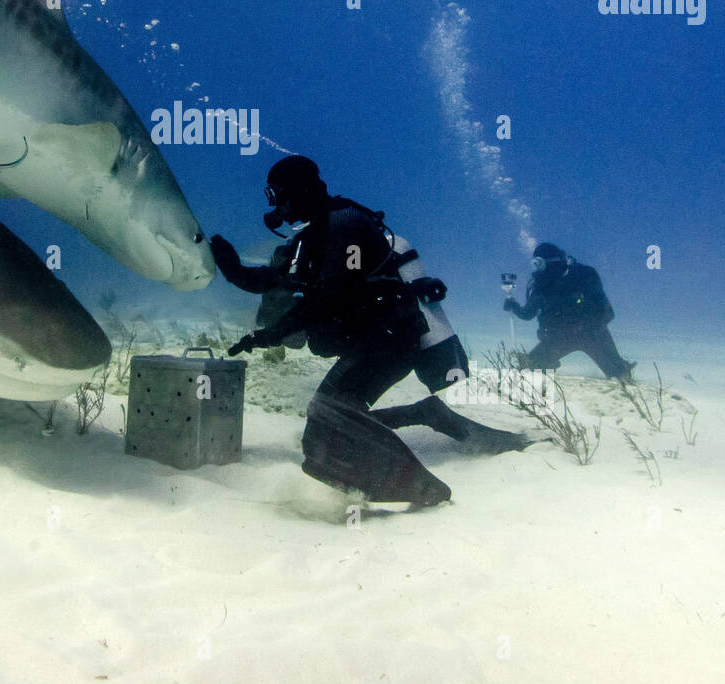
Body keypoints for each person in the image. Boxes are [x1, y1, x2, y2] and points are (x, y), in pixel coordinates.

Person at [211, 155, 530, 507]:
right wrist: (230, 268)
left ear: (298, 191)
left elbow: (327, 298)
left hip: (393, 338)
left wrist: (268, 335)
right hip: (372, 340)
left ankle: (419, 488)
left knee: (327, 411)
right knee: (331, 421)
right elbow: (272, 281)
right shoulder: (311, 237)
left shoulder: (346, 226)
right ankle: (424, 414)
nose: (278, 209)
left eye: (278, 196)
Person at [504, 243, 635, 382]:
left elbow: (607, 313)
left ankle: (620, 367)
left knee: (619, 375)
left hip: (591, 334)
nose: (537, 269)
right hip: (559, 338)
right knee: (529, 369)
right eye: (534, 264)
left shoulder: (583, 275)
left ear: (552, 262)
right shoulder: (540, 286)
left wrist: (583, 325)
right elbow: (527, 314)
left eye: (539, 264)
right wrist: (513, 305)